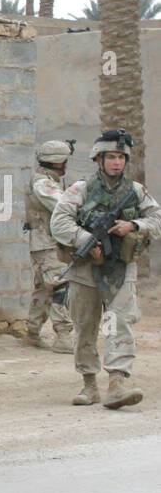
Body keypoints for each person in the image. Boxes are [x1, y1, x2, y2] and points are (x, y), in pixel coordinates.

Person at [50, 128, 160, 408]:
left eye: (121, 157)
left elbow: (157, 219)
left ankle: (116, 384)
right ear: (99, 159)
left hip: (121, 270)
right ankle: (89, 384)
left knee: (118, 323)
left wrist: (134, 225)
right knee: (85, 326)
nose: (116, 162)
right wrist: (86, 238)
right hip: (86, 269)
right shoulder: (80, 189)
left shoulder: (136, 191)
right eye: (110, 157)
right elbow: (59, 223)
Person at [23, 139, 75, 353]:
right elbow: (63, 206)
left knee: (44, 289)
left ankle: (32, 332)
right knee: (60, 286)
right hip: (46, 243)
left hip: (50, 243)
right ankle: (63, 336)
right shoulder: (42, 183)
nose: (66, 165)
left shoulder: (49, 181)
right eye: (64, 161)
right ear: (57, 162)